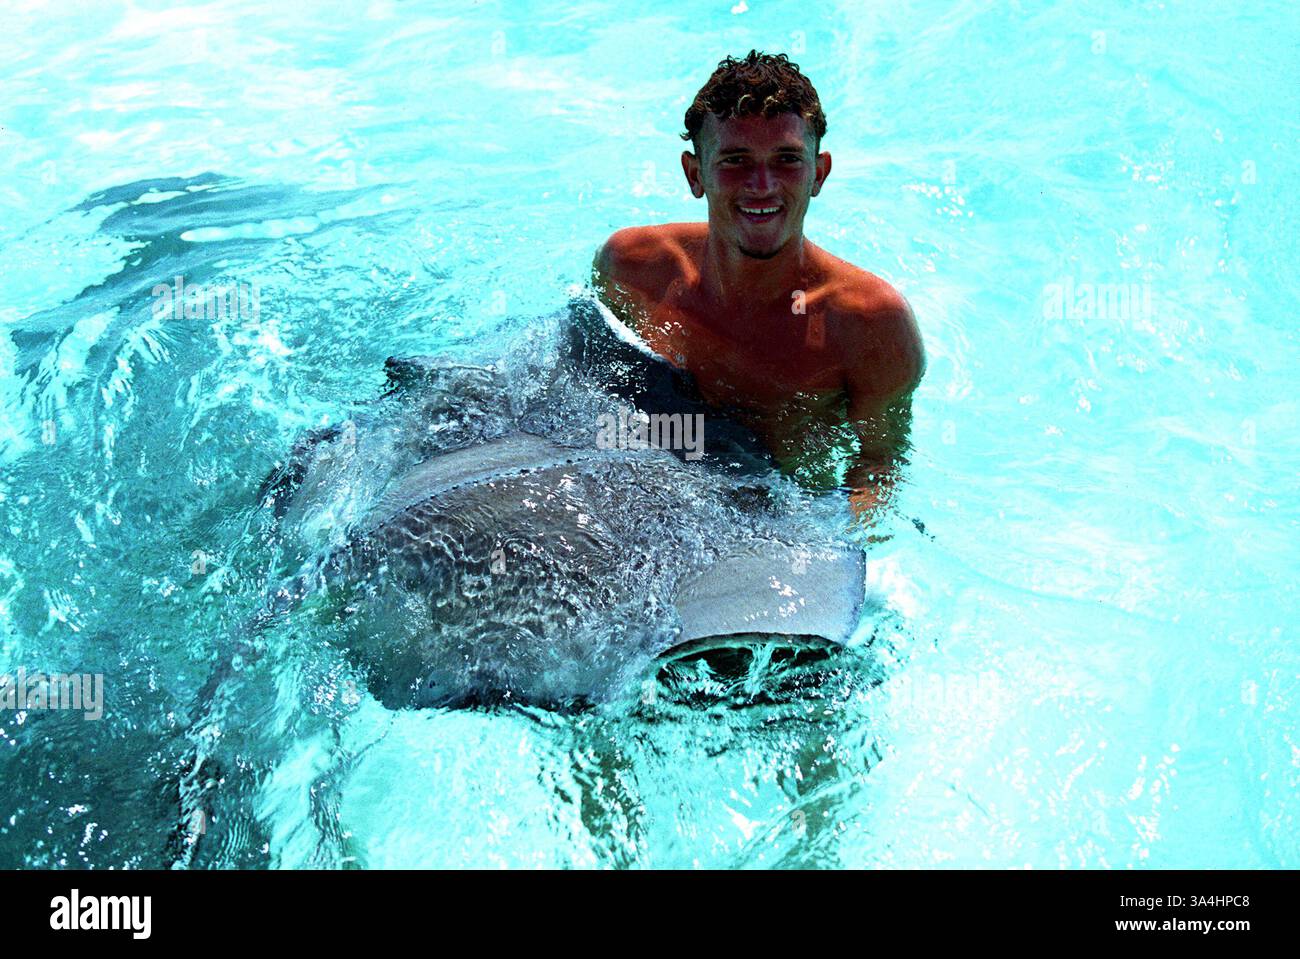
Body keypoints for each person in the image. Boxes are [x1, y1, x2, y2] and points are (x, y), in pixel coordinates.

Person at [591, 50, 925, 525]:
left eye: (787, 159)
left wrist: (817, 546)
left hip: (767, 516)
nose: (762, 185)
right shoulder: (633, 269)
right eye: (735, 160)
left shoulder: (870, 323)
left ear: (819, 173)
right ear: (695, 174)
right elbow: (591, 398)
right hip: (640, 483)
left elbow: (880, 465)